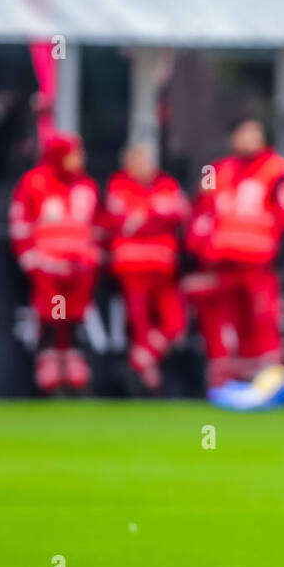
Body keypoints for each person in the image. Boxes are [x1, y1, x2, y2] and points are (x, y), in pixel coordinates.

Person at [186, 117, 284, 398]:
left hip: (259, 264)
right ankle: (226, 385)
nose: (249, 139)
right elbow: (201, 215)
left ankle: (270, 386)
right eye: (243, 133)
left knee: (262, 321)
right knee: (224, 325)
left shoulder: (276, 170)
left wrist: (280, 261)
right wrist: (197, 256)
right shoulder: (217, 171)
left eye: (255, 133)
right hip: (221, 265)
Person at [9, 132, 101, 395]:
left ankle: (72, 365)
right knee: (52, 315)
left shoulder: (86, 186)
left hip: (79, 267)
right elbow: (20, 222)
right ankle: (50, 366)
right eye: (74, 153)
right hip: (48, 266)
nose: (79, 158)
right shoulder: (34, 183)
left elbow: (95, 224)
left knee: (74, 316)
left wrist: (92, 256)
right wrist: (31, 259)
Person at [99, 142, 189, 391]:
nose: (144, 165)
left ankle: (143, 358)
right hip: (132, 267)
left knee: (175, 323)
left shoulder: (166, 184)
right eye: (137, 160)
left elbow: (178, 214)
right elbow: (121, 221)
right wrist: (154, 214)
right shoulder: (118, 185)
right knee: (138, 323)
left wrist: (143, 216)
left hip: (164, 268)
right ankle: (142, 377)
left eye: (147, 159)